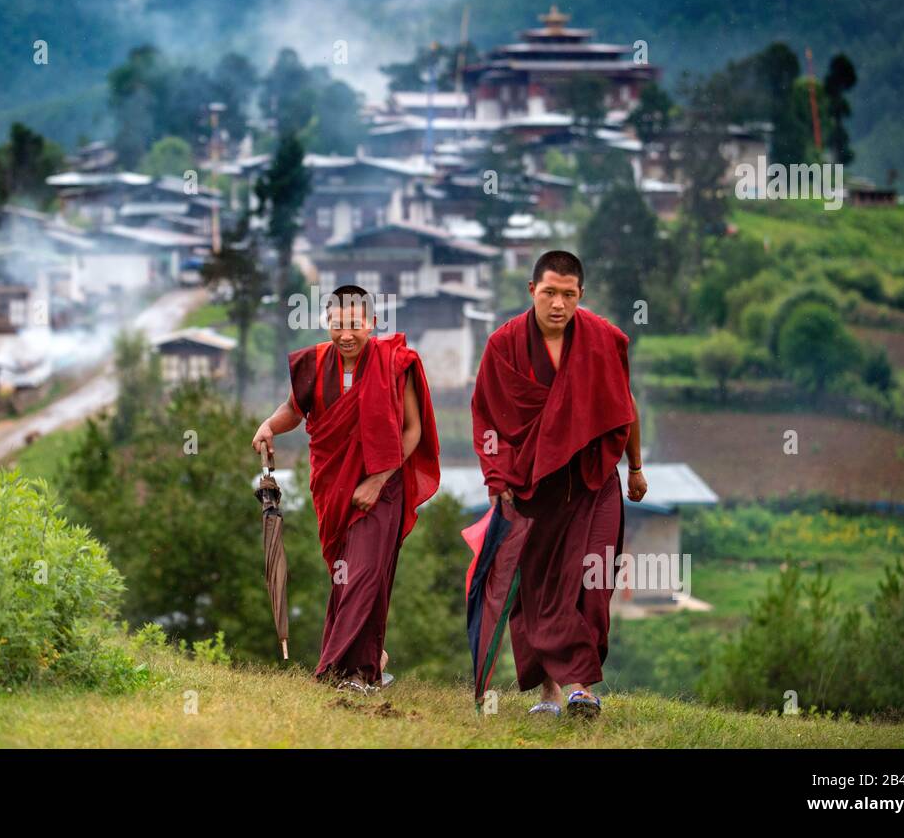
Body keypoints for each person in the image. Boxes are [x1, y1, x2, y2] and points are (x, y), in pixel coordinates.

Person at [465, 250, 647, 718]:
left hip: (594, 481)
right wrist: (497, 475)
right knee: (542, 591)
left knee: (594, 581)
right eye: (549, 292)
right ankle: (553, 692)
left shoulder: (603, 340)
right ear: (532, 291)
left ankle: (580, 687)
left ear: (580, 295)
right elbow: (486, 415)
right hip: (534, 488)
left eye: (569, 294)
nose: (559, 304)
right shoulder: (505, 345)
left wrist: (636, 466)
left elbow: (624, 408)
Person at [252, 285, 439, 691]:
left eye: (355, 325)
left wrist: (378, 480)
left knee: (365, 574)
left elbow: (413, 430)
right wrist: (269, 425)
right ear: (327, 324)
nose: (347, 335)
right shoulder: (315, 363)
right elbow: (293, 409)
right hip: (333, 487)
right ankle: (367, 667)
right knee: (345, 576)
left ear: (371, 323)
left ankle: (338, 670)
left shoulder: (395, 362)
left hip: (383, 488)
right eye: (338, 326)